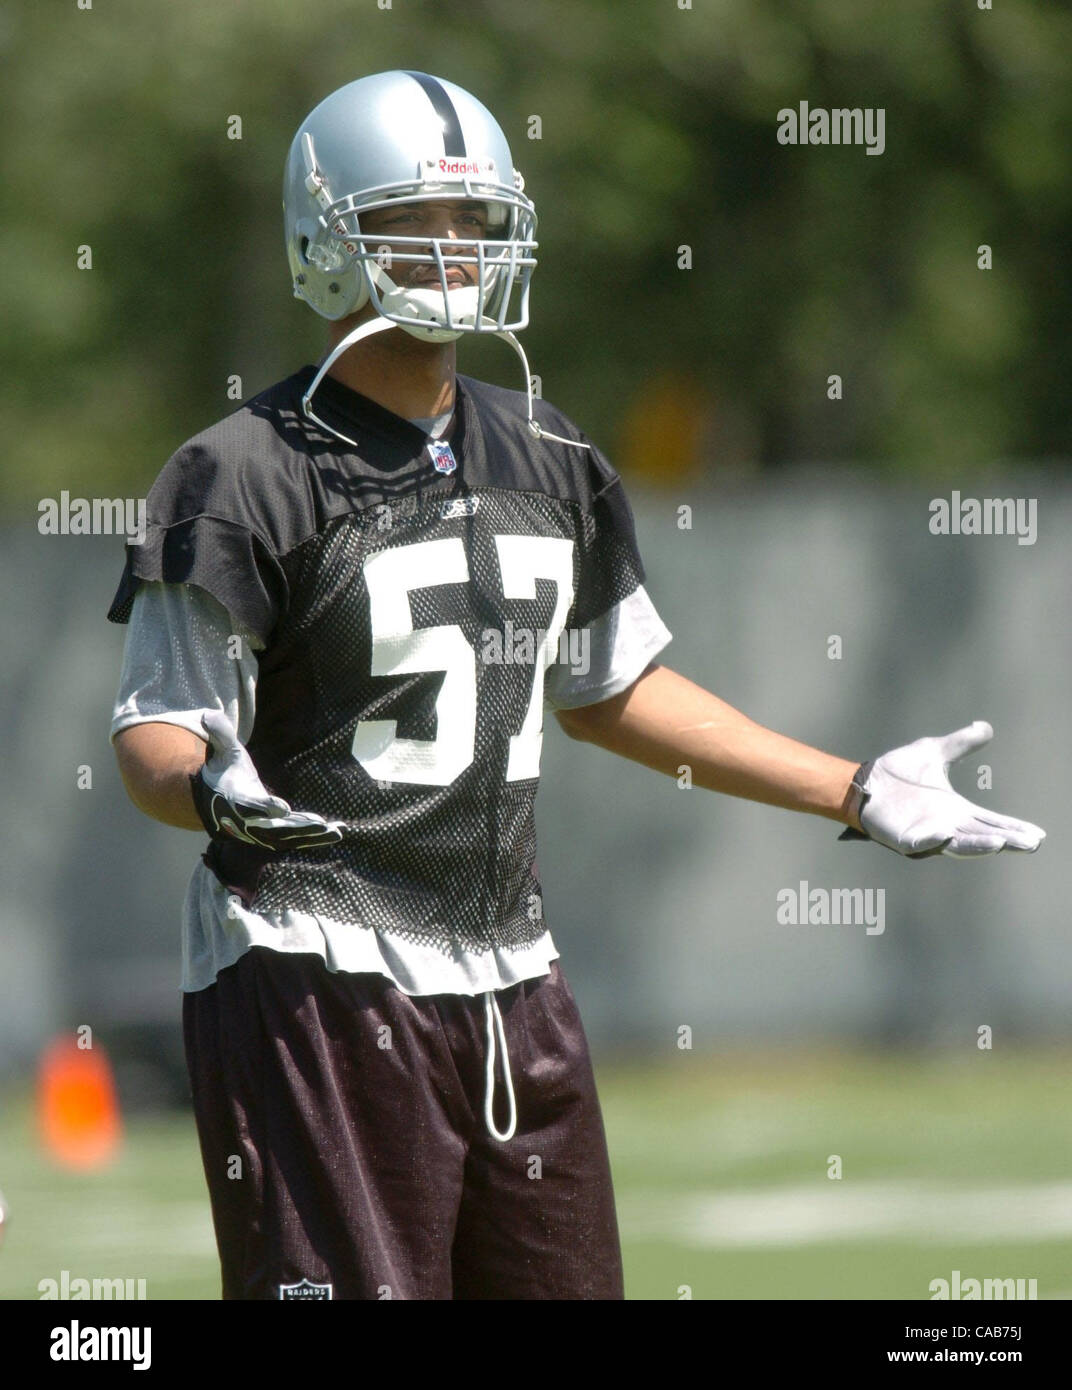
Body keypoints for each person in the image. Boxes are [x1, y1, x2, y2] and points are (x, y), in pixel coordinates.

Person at [107, 70, 1044, 1301]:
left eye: (471, 220)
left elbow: (608, 689)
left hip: (511, 974)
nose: (451, 251)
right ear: (329, 234)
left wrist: (854, 789)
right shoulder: (241, 470)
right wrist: (213, 787)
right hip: (312, 968)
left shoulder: (550, 452)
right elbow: (157, 736)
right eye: (411, 219)